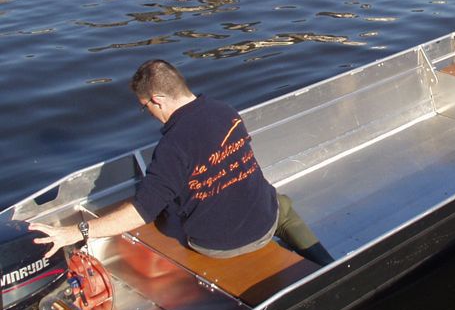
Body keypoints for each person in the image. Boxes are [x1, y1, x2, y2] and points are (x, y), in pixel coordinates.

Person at [31, 59, 333, 266]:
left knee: (167, 213)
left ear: (158, 99)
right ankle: (325, 262)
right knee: (281, 204)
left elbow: (140, 212)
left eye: (144, 107)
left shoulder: (172, 148)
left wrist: (74, 232)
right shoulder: (224, 111)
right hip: (266, 221)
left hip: (217, 247)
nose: (147, 113)